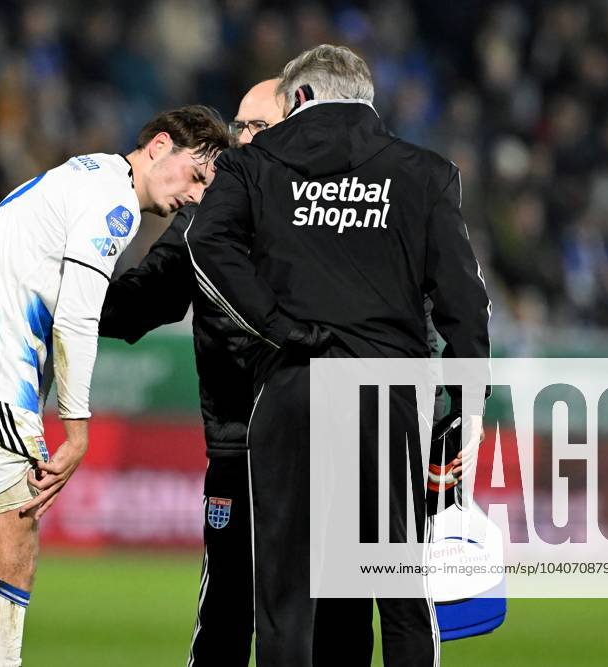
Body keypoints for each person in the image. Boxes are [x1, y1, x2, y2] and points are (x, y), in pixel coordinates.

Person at [186, 45, 491, 667]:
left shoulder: (255, 164)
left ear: (299, 98)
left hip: (291, 388)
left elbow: (207, 243)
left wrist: (279, 328)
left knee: (284, 599)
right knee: (401, 595)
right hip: (387, 398)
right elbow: (464, 301)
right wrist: (469, 405)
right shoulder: (426, 173)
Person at [0, 105, 230, 666]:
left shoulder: (82, 174)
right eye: (196, 175)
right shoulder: (114, 203)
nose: (197, 195)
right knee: (11, 561)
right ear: (159, 146)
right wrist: (77, 430)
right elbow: (77, 318)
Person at [99, 78, 286, 667]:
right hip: (239, 446)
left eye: (256, 126)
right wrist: (66, 286)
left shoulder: (337, 214)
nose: (241, 139)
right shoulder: (211, 216)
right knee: (227, 617)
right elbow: (139, 302)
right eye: (239, 127)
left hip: (317, 447)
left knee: (310, 624)